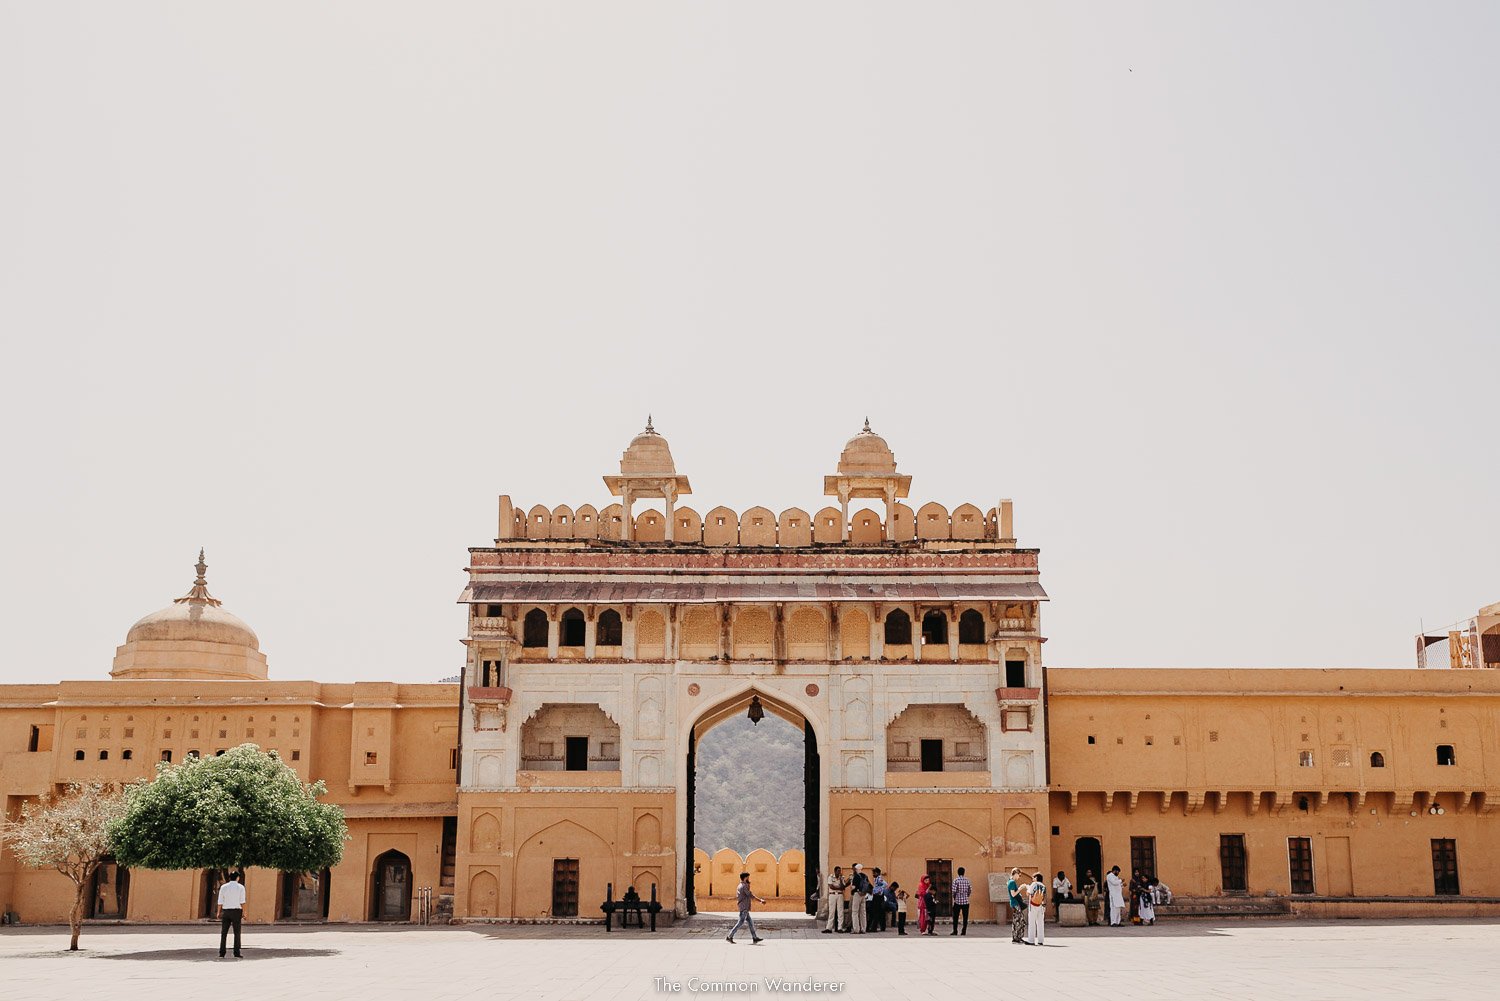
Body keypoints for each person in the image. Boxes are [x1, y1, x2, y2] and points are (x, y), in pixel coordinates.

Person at [726, 872, 765, 945]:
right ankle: (729, 936)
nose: (749, 879)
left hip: (744, 907)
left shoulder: (740, 885)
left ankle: (754, 938)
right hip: (744, 907)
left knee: (750, 923)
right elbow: (750, 895)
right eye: (748, 877)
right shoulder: (744, 886)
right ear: (745, 878)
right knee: (740, 922)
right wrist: (760, 900)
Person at [216, 870, 246, 959]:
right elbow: (242, 902)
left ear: (229, 877)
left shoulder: (224, 887)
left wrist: (218, 912)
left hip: (226, 911)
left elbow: (220, 901)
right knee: (237, 932)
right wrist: (244, 913)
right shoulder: (241, 887)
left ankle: (222, 952)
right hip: (236, 912)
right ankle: (236, 952)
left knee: (224, 933)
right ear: (238, 878)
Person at [1025, 872, 1047, 946]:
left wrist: (1027, 887)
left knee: (1032, 922)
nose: (1032, 879)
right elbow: (1044, 897)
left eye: (1033, 877)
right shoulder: (1043, 886)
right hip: (1040, 906)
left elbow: (1028, 893)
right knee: (1040, 923)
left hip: (1033, 905)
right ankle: (1041, 940)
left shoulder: (1034, 884)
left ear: (1036, 878)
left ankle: (1031, 940)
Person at [949, 866, 971, 935]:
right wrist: (967, 896)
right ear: (964, 873)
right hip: (966, 902)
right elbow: (970, 890)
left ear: (958, 873)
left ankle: (955, 931)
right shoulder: (967, 880)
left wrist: (954, 897)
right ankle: (964, 931)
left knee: (955, 917)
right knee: (965, 917)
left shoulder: (956, 880)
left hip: (957, 902)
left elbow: (954, 891)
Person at [1007, 867, 1026, 944]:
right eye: (1019, 875)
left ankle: (1017, 937)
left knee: (1017, 920)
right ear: (1015, 874)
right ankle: (1017, 937)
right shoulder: (1012, 882)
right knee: (1019, 920)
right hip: (1015, 903)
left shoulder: (1011, 882)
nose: (1019, 877)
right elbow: (1013, 894)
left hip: (1015, 903)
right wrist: (1020, 888)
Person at [823, 866, 846, 933]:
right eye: (838, 871)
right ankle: (829, 928)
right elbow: (831, 886)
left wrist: (841, 880)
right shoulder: (830, 877)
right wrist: (839, 887)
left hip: (840, 895)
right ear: (835, 871)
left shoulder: (842, 878)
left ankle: (840, 928)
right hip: (832, 895)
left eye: (840, 871)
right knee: (831, 911)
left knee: (840, 911)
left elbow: (843, 887)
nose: (839, 872)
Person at [849, 863, 869, 934]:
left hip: (857, 894)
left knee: (855, 912)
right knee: (863, 912)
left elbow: (854, 887)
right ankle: (863, 929)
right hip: (863, 895)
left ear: (856, 869)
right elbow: (868, 886)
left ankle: (856, 929)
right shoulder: (865, 876)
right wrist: (864, 892)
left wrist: (854, 889)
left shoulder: (856, 876)